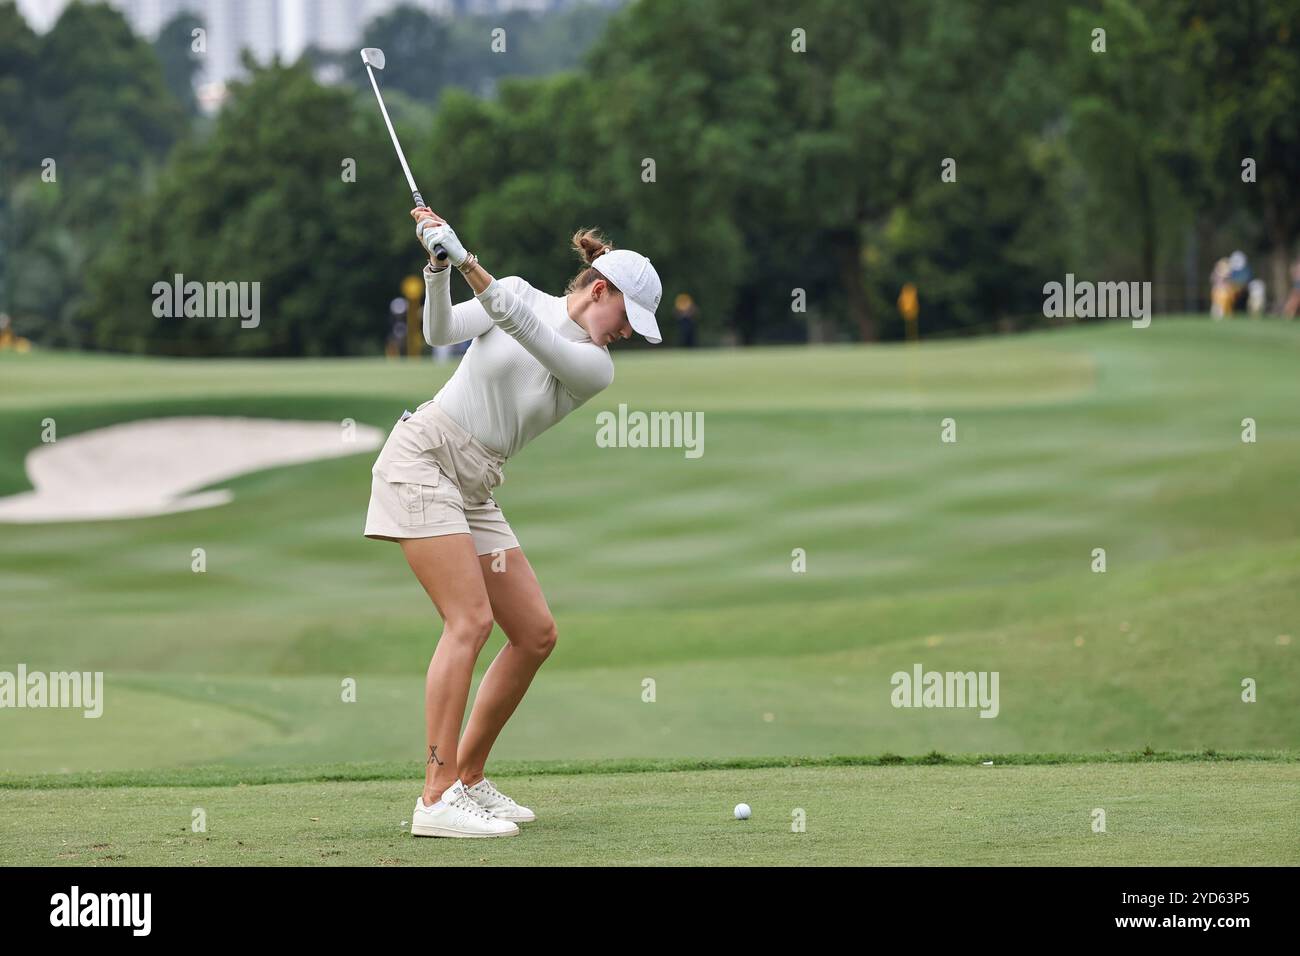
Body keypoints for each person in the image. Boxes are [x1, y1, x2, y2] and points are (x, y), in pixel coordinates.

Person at [363, 207, 663, 838]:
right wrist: (441, 266)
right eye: (628, 319)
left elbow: (528, 331)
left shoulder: (594, 366)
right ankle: (435, 797)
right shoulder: (520, 290)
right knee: (468, 620)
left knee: (534, 632)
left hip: (476, 485)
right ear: (600, 291)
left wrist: (469, 258)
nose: (629, 334)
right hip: (424, 458)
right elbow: (441, 327)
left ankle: (468, 777)